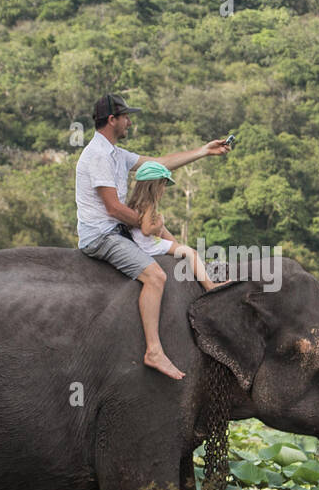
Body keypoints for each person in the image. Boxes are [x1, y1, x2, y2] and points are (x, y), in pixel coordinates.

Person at [75, 93, 229, 380]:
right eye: (126, 118)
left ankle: (211, 286)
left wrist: (203, 151)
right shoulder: (97, 156)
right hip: (103, 236)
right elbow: (113, 207)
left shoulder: (116, 154)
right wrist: (150, 227)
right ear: (112, 120)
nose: (129, 123)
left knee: (179, 248)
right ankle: (154, 350)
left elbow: (158, 163)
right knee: (155, 277)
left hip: (119, 230)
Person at [127, 161, 227, 293]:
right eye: (162, 185)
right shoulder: (149, 204)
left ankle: (195, 264)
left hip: (143, 243)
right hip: (149, 245)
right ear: (154, 185)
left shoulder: (135, 203)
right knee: (192, 253)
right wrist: (160, 222)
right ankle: (209, 285)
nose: (163, 189)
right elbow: (147, 230)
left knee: (180, 247)